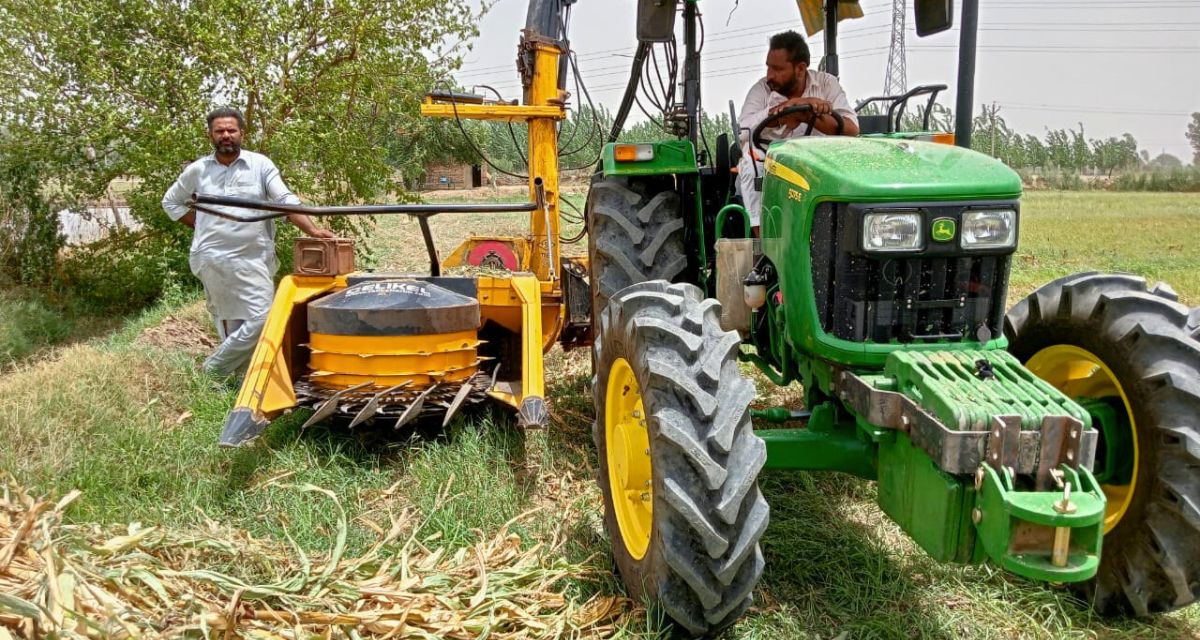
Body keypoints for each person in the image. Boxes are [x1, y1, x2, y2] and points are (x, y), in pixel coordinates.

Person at [162, 107, 334, 377]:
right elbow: (170, 201)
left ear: (242, 132)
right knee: (229, 319)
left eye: (231, 130)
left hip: (253, 257)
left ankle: (211, 372)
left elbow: (284, 200)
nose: (226, 135)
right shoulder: (198, 171)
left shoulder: (260, 165)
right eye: (220, 131)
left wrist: (312, 229)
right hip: (213, 257)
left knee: (263, 317)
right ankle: (238, 384)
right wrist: (201, 225)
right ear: (210, 135)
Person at [737, 30, 860, 231]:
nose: (770, 75)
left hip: (820, 161)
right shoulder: (761, 90)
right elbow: (744, 131)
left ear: (800, 69)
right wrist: (780, 114)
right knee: (751, 165)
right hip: (773, 161)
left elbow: (852, 129)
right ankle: (763, 240)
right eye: (769, 67)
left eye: (777, 69)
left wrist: (807, 113)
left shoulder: (827, 84)